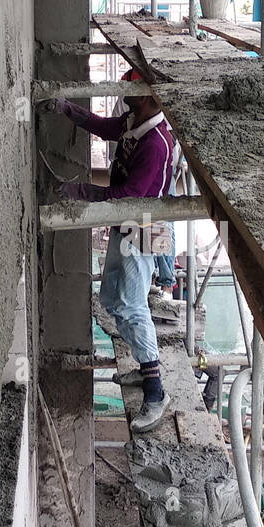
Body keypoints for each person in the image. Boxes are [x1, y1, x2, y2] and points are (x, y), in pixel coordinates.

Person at [50, 70, 175, 433]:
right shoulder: (136, 121)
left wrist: (83, 193)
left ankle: (156, 392)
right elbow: (107, 128)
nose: (125, 95)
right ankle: (144, 363)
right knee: (112, 299)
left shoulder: (155, 144)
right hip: (130, 223)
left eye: (132, 91)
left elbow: (127, 196)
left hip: (148, 227)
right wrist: (69, 110)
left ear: (151, 97)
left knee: (133, 305)